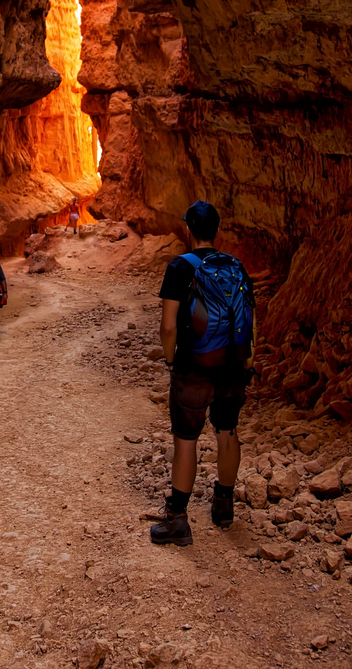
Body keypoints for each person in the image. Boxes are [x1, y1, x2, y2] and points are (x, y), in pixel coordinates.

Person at [149, 200, 255, 546]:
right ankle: (224, 503)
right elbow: (250, 322)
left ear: (189, 230)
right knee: (228, 431)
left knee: (186, 440)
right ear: (216, 230)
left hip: (194, 367)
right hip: (232, 364)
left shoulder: (181, 267)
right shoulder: (236, 267)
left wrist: (169, 360)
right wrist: (247, 363)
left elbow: (168, 327)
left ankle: (178, 518)